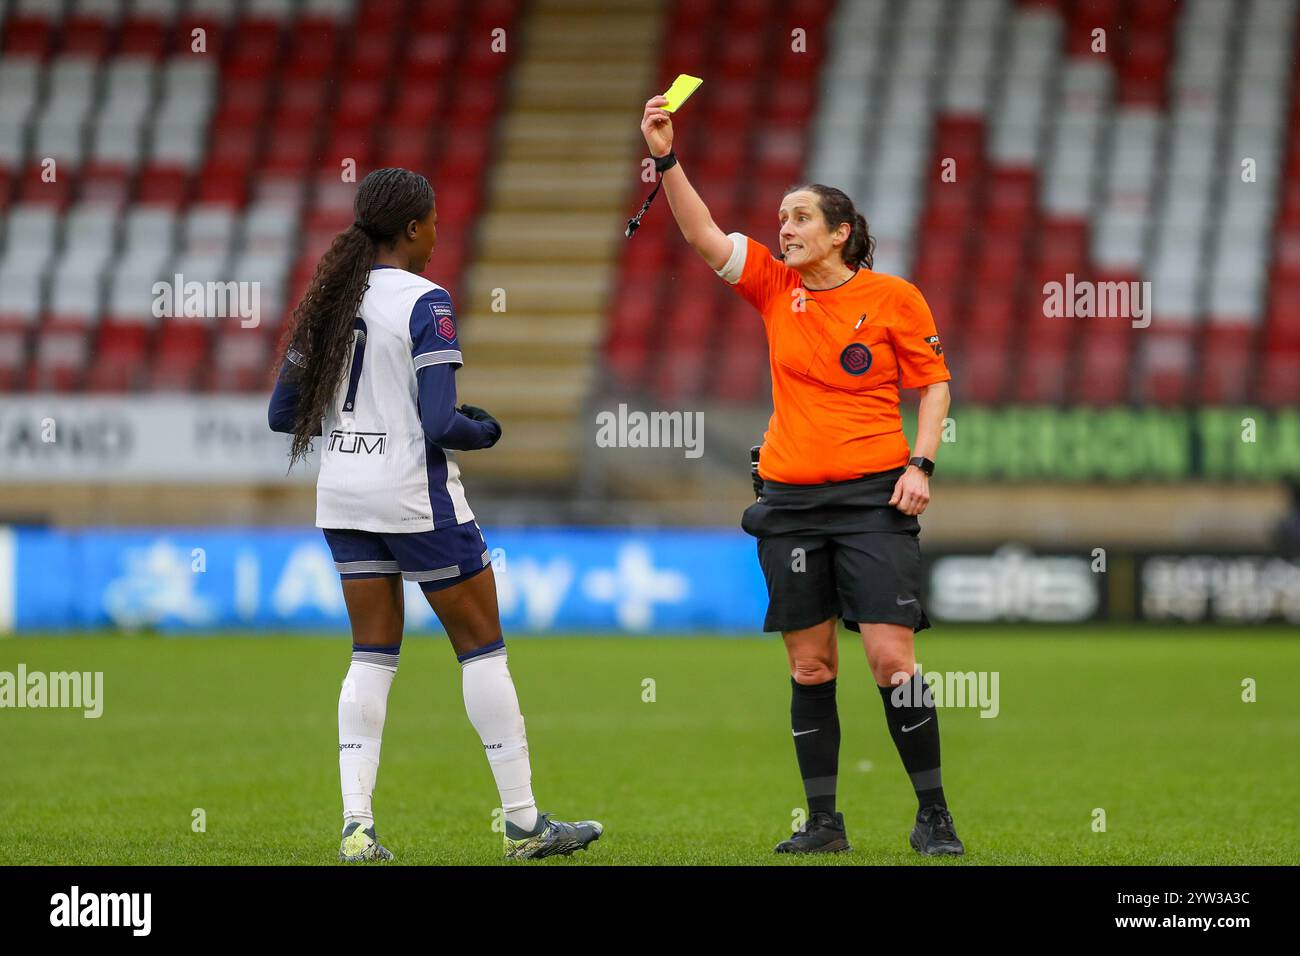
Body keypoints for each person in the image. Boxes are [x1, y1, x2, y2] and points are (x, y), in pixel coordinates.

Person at [640, 97, 964, 855]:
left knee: (891, 660)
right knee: (811, 664)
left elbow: (935, 385)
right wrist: (665, 157)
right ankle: (824, 822)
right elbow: (701, 233)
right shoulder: (771, 288)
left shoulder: (893, 298)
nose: (783, 228)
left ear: (841, 233)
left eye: (800, 218)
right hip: (787, 505)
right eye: (781, 218)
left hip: (872, 501)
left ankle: (934, 816)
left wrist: (922, 463)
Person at [268, 167, 602, 861]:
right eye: (436, 222)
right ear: (415, 227)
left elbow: (281, 414)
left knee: (371, 655)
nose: (439, 233)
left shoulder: (327, 297)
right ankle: (523, 824)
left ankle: (357, 828)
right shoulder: (428, 300)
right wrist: (486, 430)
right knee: (482, 648)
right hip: (415, 497)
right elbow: (440, 418)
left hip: (345, 494)